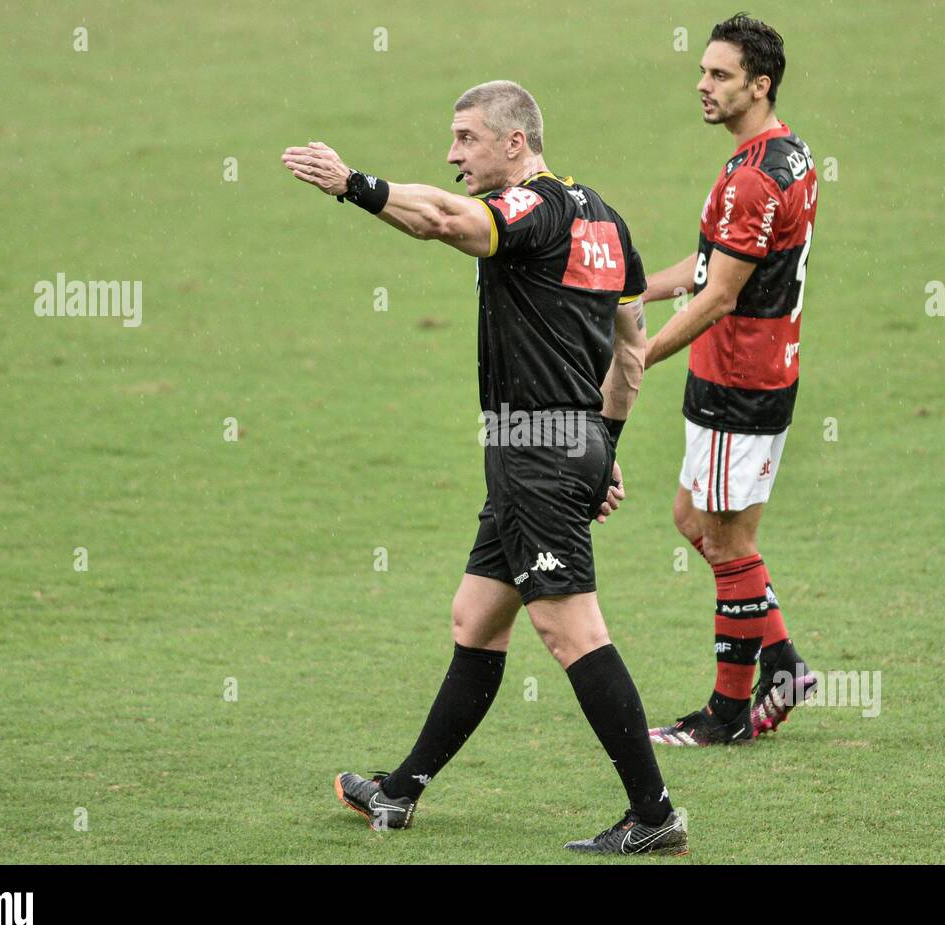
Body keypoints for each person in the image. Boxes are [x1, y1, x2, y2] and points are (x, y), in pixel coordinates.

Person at [282, 80, 686, 854]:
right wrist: (601, 451)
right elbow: (632, 351)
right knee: (477, 619)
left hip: (535, 450)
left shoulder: (531, 210)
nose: (452, 151)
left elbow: (441, 219)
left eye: (466, 138)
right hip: (563, 443)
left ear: (515, 142)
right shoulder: (605, 219)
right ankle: (398, 794)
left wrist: (352, 185)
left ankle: (654, 810)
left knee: (570, 631)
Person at [642, 15, 819, 747]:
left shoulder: (750, 180)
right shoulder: (786, 153)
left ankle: (726, 712)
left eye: (718, 75)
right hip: (753, 373)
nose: (702, 85)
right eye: (704, 71)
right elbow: (709, 266)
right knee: (698, 523)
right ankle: (782, 662)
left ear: (759, 83)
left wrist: (638, 356)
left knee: (728, 543)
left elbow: (718, 296)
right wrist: (630, 290)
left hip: (738, 382)